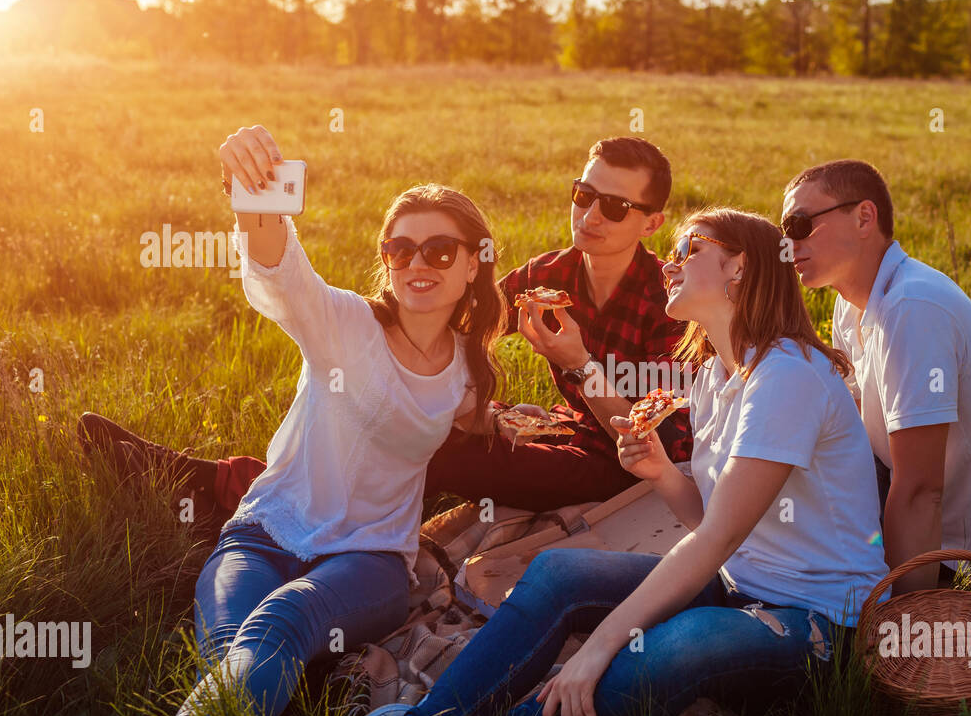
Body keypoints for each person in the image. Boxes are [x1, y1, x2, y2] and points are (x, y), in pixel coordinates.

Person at [328, 207, 891, 716]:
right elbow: (709, 519)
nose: (669, 268)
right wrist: (664, 472)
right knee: (556, 572)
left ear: (738, 268)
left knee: (673, 647)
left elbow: (716, 538)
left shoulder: (787, 375)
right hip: (740, 585)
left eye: (688, 252)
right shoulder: (717, 374)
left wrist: (597, 647)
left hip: (819, 624)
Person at [66, 124, 507, 716]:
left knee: (280, 624)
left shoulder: (470, 376)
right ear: (385, 260)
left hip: (369, 560)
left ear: (472, 263)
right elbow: (279, 262)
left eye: (440, 249)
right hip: (264, 534)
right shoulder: (343, 325)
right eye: (400, 248)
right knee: (235, 661)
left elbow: (486, 433)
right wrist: (253, 191)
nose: (417, 262)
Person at [76, 137, 691, 528]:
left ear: (652, 221)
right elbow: (454, 317)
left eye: (614, 207)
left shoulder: (672, 300)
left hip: (622, 460)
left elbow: (658, 442)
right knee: (388, 408)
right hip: (562, 425)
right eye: (584, 195)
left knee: (433, 449)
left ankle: (213, 484)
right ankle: (246, 486)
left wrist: (581, 365)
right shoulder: (551, 273)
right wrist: (365, 346)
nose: (589, 215)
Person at [782, 159, 971, 595]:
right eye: (784, 231)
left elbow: (920, 488)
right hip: (901, 506)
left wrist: (901, 619)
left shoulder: (912, 305)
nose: (789, 244)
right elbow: (854, 426)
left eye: (800, 224)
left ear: (864, 217)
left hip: (947, 554)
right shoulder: (852, 303)